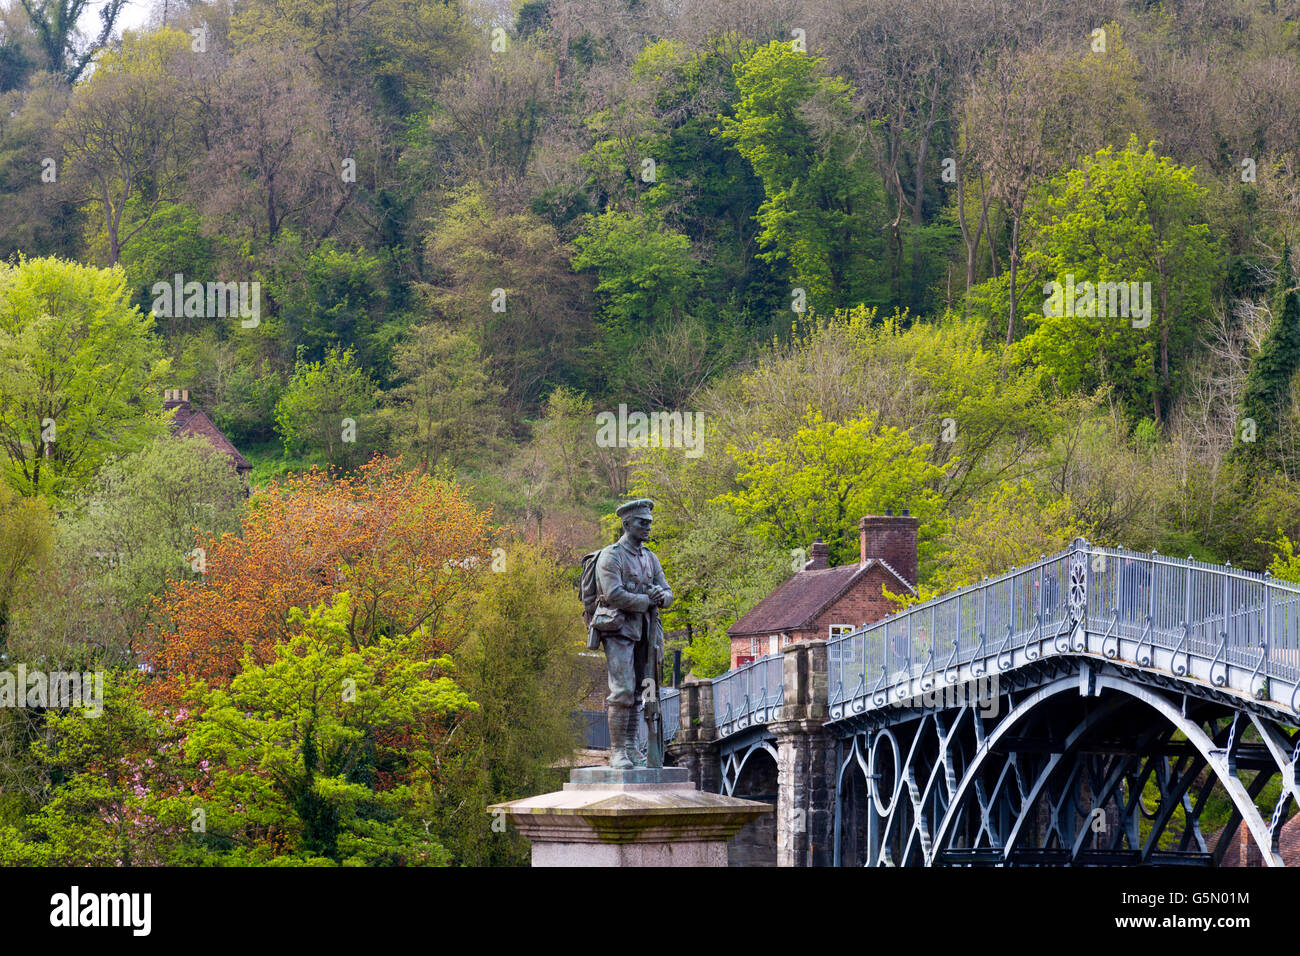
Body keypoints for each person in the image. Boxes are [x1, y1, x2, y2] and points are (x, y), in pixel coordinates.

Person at [591, 499, 673, 770]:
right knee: (623, 690)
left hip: (646, 632)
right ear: (627, 524)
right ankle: (616, 752)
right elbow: (614, 594)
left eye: (649, 522)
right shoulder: (611, 555)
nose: (648, 526)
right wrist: (646, 601)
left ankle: (630, 748)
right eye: (642, 522)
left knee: (641, 691)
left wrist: (662, 596)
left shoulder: (650, 557)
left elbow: (668, 591)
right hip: (619, 631)